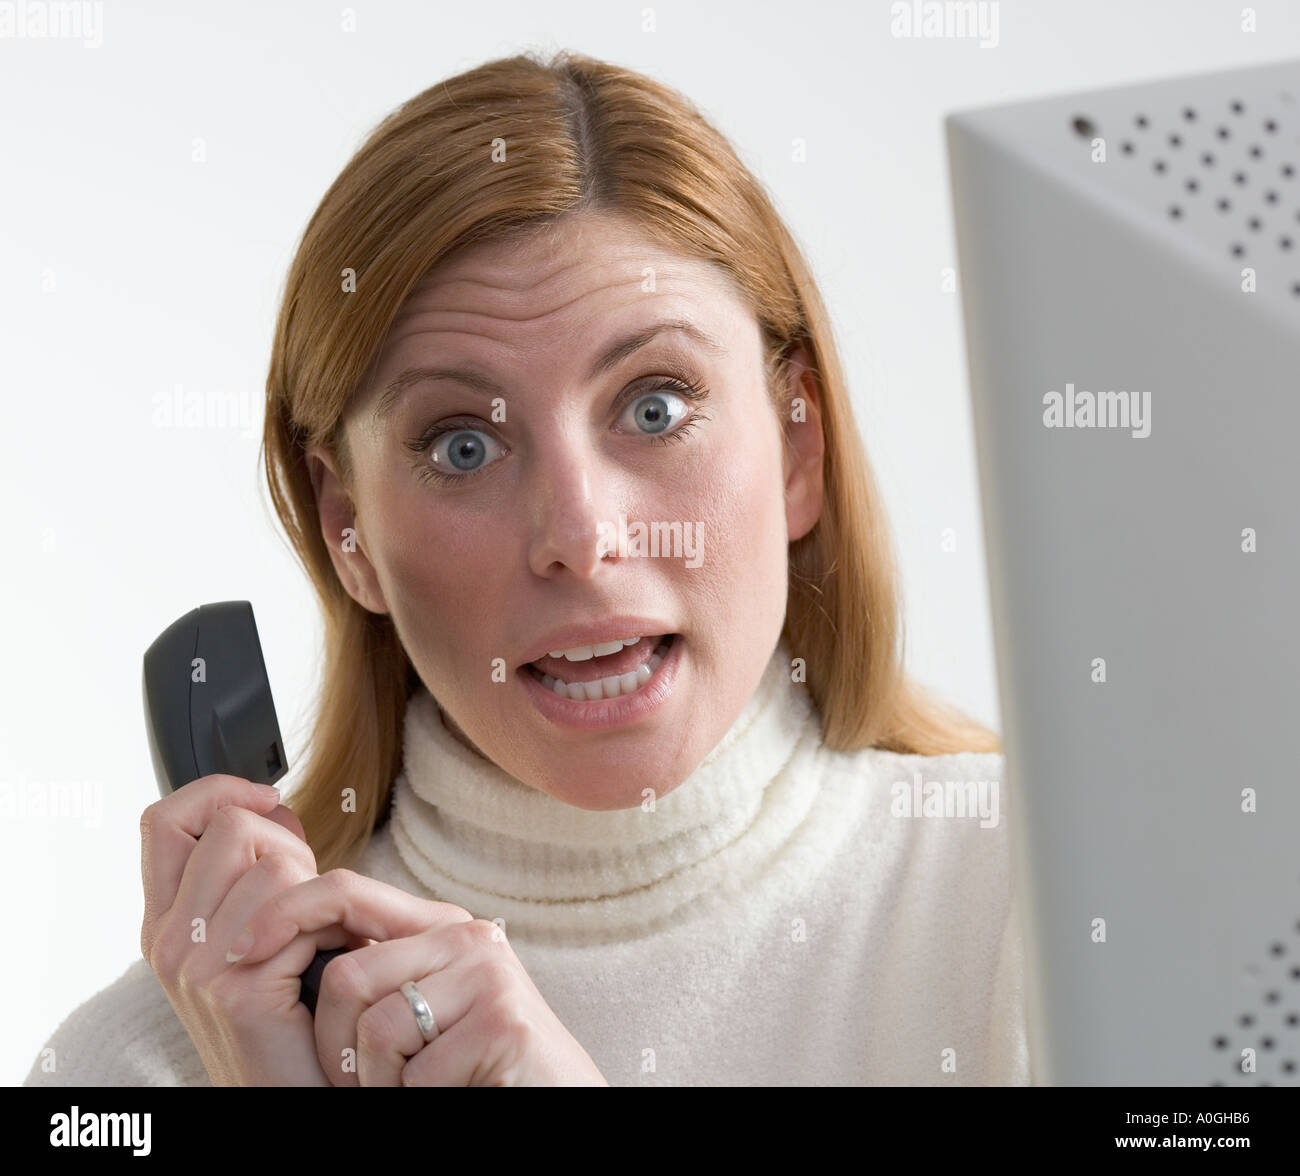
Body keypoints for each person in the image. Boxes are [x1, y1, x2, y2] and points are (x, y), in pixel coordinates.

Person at [25, 48, 1028, 1087]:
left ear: (798, 451)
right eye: (464, 445)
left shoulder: (1052, 908)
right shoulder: (144, 1071)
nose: (580, 537)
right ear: (347, 531)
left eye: (655, 408)